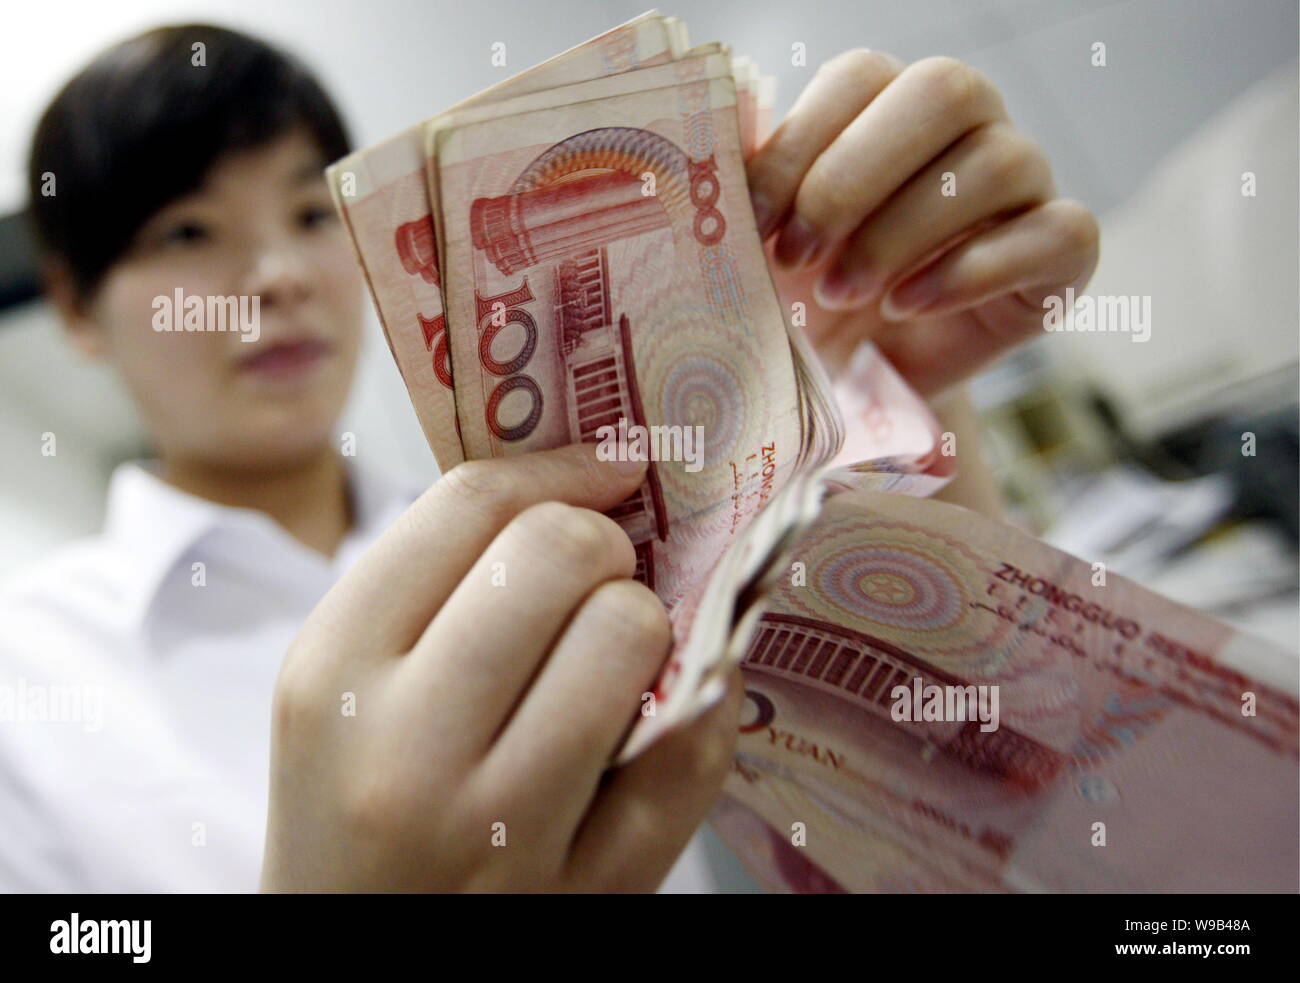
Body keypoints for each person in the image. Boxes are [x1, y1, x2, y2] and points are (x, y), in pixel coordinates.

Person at [0, 23, 1097, 892]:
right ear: (75, 309)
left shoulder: (592, 524)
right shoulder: (27, 693)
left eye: (306, 210)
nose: (279, 273)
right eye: (187, 233)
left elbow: (970, 791)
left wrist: (889, 404)